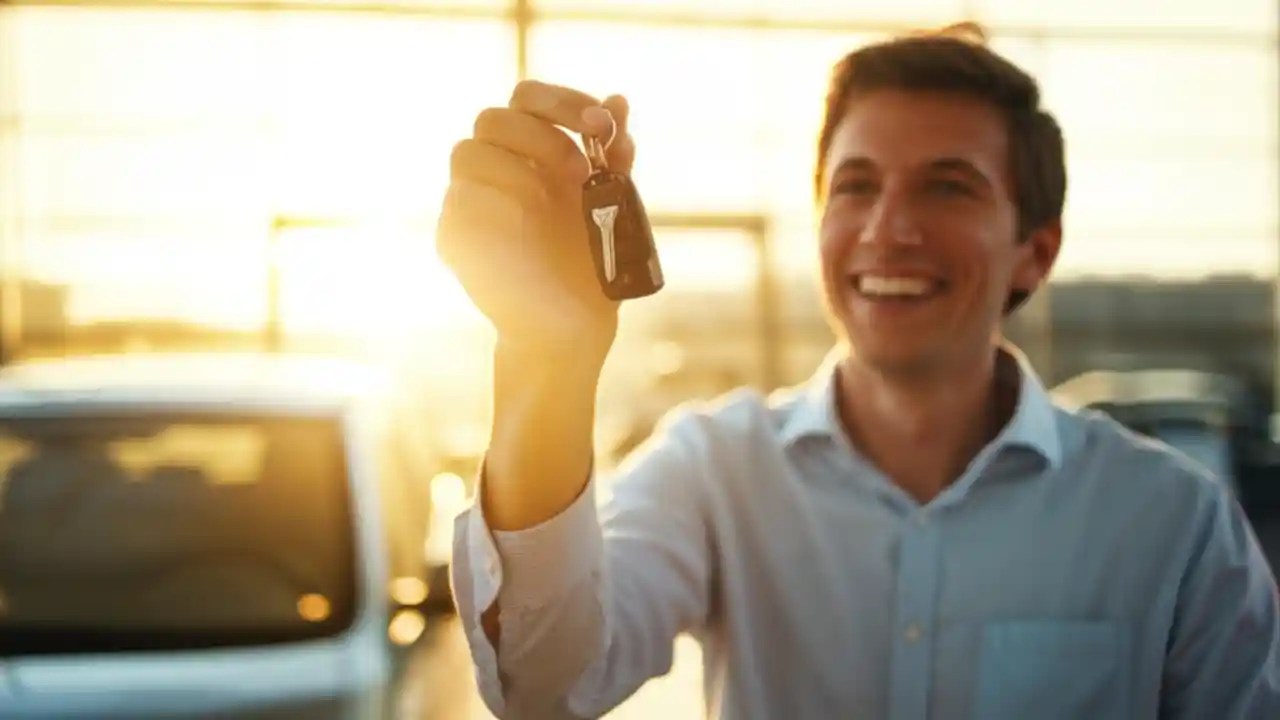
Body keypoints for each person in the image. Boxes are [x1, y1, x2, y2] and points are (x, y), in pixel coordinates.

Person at [436, 22, 1280, 720]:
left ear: (1036, 252)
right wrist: (548, 363)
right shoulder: (713, 469)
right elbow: (543, 684)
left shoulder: (1171, 524)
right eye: (856, 186)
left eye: (948, 188)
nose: (888, 229)